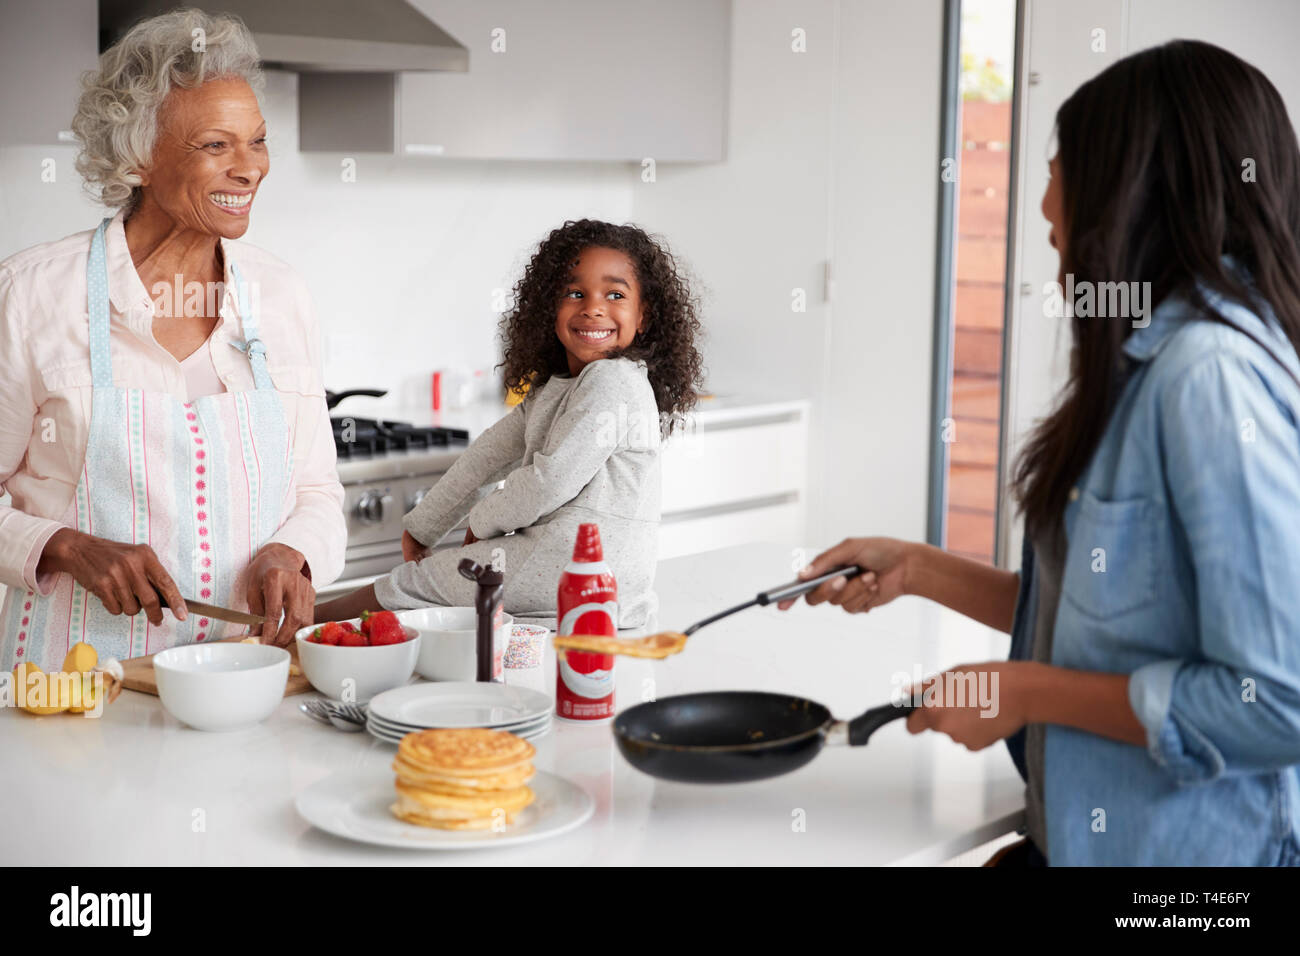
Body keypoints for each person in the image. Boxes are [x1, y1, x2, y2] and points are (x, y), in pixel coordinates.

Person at [787, 40, 1300, 866]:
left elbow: (1280, 700)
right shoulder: (1150, 364)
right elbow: (1113, 616)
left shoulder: (1208, 379)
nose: (1043, 206)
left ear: (1136, 192)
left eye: (1063, 167)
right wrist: (918, 569)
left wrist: (1021, 692)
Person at [0, 9, 346, 666]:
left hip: (247, 683)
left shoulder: (281, 295)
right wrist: (64, 546)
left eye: (258, 141)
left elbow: (317, 490)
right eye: (217, 145)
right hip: (73, 696)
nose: (250, 169)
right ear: (138, 158)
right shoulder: (32, 295)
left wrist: (292, 552)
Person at [314, 219, 703, 627]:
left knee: (413, 585)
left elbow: (548, 482)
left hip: (579, 568)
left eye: (615, 294)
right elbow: (487, 456)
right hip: (587, 577)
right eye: (574, 293)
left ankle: (298, 631)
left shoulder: (613, 380)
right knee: (432, 592)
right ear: (549, 309)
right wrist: (424, 525)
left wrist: (483, 525)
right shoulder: (557, 389)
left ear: (643, 316)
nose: (593, 307)